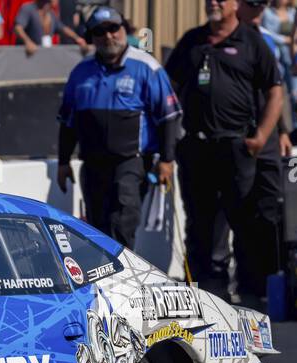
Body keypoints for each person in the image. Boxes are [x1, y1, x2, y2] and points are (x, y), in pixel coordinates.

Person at [166, 0, 284, 301]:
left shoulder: (253, 42)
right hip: (197, 147)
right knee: (200, 225)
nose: (213, 3)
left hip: (236, 146)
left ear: (235, 4)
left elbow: (275, 90)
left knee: (243, 222)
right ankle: (207, 298)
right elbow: (169, 87)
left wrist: (261, 137)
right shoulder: (192, 41)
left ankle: (249, 298)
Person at [56, 6, 180, 247]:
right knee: (96, 229)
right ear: (91, 37)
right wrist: (63, 162)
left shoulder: (147, 66)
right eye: (100, 31)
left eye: (114, 28)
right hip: (92, 164)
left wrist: (167, 160)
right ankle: (102, 284)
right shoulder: (81, 72)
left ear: (124, 29)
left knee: (121, 223)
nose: (108, 36)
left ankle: (123, 283)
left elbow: (169, 116)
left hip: (130, 164)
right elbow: (67, 122)